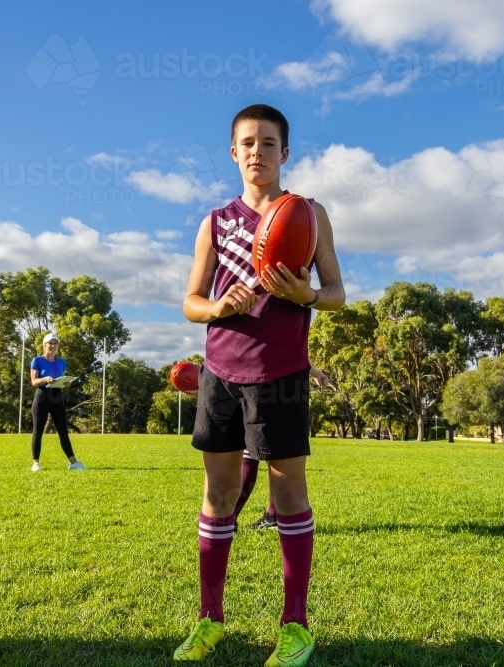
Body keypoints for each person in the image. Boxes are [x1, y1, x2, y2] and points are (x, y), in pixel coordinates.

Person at [173, 104, 345, 666]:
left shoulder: (309, 213)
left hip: (282, 373)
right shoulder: (215, 221)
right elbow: (190, 302)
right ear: (233, 153)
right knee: (220, 495)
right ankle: (209, 621)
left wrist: (306, 297)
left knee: (286, 494)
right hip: (221, 372)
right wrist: (218, 305)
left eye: (268, 143)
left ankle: (295, 627)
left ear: (284, 152)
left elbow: (337, 292)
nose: (256, 152)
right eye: (247, 143)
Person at [237, 367, 331, 531]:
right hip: (282, 382)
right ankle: (272, 516)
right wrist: (315, 373)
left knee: (254, 450)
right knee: (273, 452)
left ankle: (228, 520)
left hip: (265, 380)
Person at [30, 332, 87, 472]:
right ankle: (36, 463)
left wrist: (66, 383)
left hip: (57, 397)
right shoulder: (37, 360)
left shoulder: (62, 362)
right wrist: (45, 379)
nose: (53, 346)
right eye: (50, 343)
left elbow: (61, 378)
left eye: (55, 343)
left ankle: (73, 463)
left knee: (63, 431)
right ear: (44, 345)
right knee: (38, 431)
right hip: (42, 396)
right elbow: (34, 382)